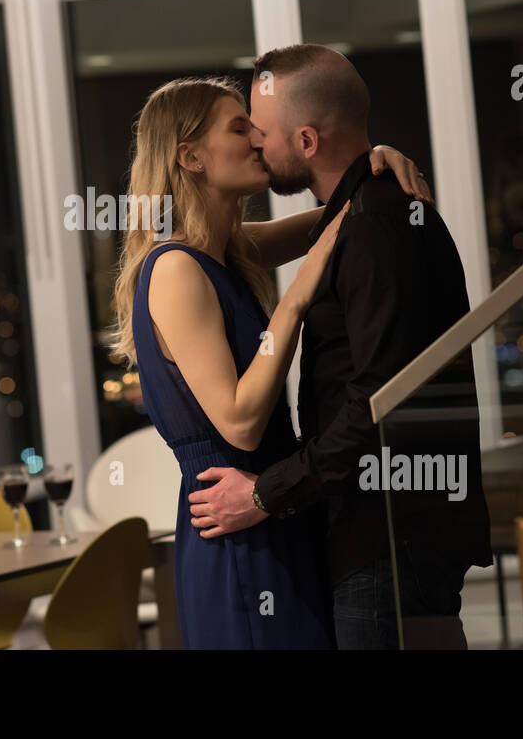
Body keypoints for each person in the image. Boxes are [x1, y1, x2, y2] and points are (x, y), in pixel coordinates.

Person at [109, 74, 432, 649]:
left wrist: (370, 159)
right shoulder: (177, 268)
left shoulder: (226, 253)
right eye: (241, 129)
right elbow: (238, 420)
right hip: (237, 527)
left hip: (270, 508)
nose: (259, 141)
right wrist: (298, 298)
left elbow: (335, 217)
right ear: (190, 157)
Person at [187, 45, 493, 649]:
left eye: (261, 130)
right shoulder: (361, 213)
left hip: (387, 533)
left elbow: (381, 403)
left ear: (305, 142)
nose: (253, 143)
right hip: (381, 528)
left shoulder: (376, 224)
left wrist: (261, 494)